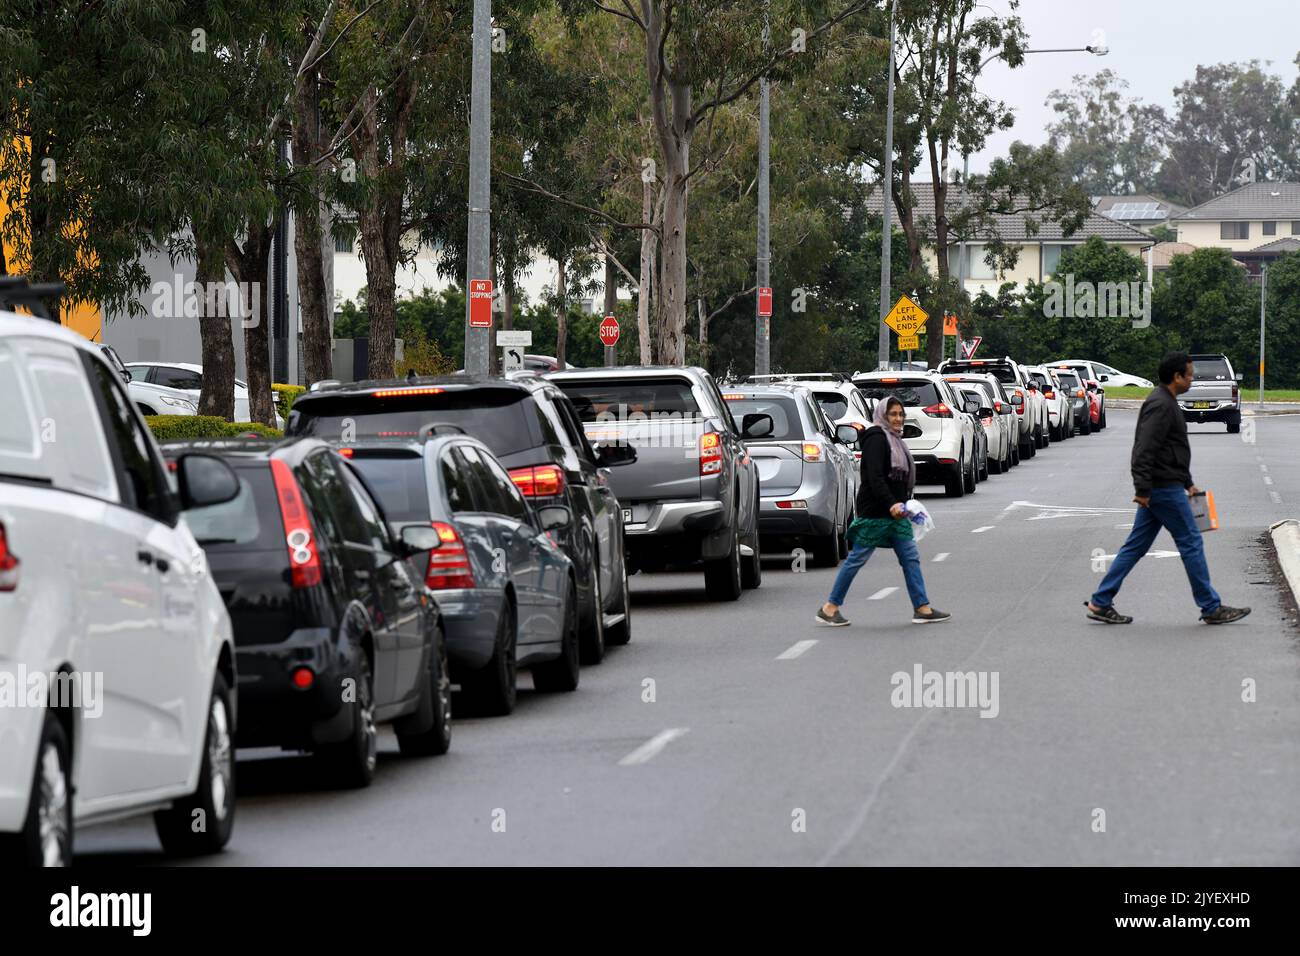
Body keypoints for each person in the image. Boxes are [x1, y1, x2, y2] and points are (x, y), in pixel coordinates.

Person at [1085, 350, 1250, 625]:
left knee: (1135, 547)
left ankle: (1100, 602)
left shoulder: (1165, 401)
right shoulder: (1161, 405)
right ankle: (1210, 606)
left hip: (1165, 486)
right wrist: (1143, 489)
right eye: (1189, 375)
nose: (1192, 380)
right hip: (1161, 489)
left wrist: (1188, 483)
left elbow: (1168, 450)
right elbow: (1144, 449)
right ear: (1177, 377)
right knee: (1191, 542)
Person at [816, 395, 950, 627]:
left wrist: (904, 505)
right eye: (893, 414)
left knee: (910, 559)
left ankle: (922, 607)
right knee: (856, 559)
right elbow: (874, 478)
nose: (898, 419)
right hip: (876, 513)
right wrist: (891, 503)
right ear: (883, 416)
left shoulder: (895, 440)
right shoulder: (876, 438)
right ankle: (830, 608)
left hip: (897, 514)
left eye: (900, 414)